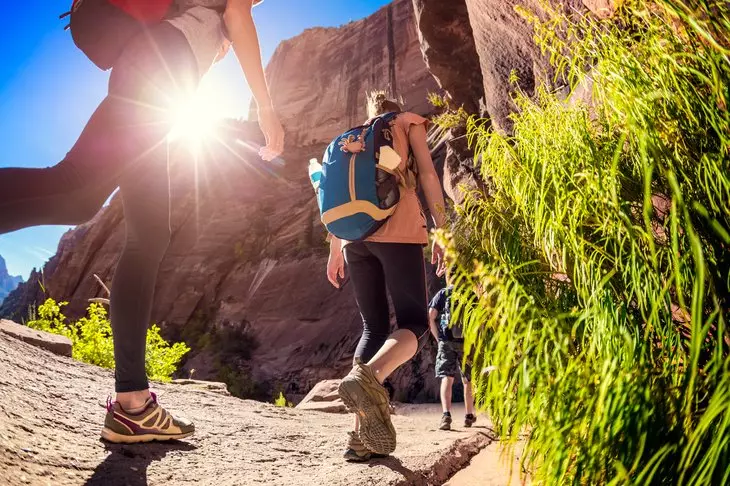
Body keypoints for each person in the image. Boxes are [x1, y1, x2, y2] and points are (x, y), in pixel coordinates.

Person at [0, 0, 284, 443]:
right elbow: (239, 15)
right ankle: (132, 402)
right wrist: (266, 108)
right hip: (160, 64)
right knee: (76, 189)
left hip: (162, 74)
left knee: (149, 233)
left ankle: (132, 405)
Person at [326, 92, 447, 461]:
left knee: (372, 328)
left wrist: (335, 249)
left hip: (352, 238)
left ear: (369, 112)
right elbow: (426, 173)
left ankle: (360, 439)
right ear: (395, 107)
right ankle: (368, 377)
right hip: (398, 230)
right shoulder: (407, 123)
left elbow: (332, 193)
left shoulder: (350, 138)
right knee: (415, 324)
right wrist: (441, 228)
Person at [428, 283, 476, 431]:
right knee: (468, 380)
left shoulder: (443, 293)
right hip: (466, 342)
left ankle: (446, 416)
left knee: (447, 378)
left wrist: (438, 338)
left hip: (446, 341)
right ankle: (469, 416)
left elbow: (430, 316)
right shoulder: (470, 294)